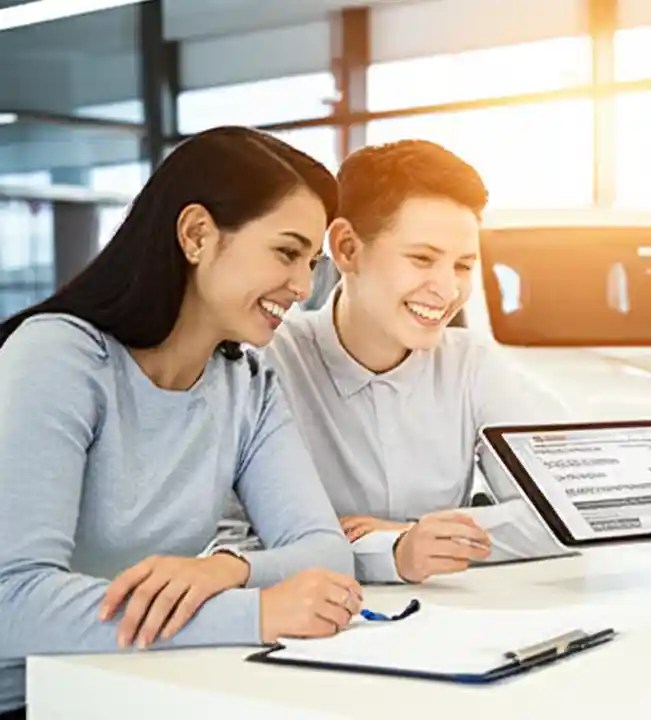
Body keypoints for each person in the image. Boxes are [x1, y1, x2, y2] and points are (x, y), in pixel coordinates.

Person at [0, 127, 361, 720]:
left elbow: (326, 554)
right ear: (197, 235)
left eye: (312, 263)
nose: (302, 287)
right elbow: (14, 600)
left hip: (135, 686)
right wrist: (256, 611)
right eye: (286, 252)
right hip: (31, 698)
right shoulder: (59, 357)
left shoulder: (249, 383)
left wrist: (224, 568)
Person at [259, 139, 565, 584]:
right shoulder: (271, 362)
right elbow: (248, 543)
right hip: (309, 627)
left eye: (462, 266)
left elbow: (563, 517)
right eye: (422, 259)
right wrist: (393, 552)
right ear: (346, 248)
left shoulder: (471, 364)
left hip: (445, 624)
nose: (446, 290)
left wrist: (410, 538)